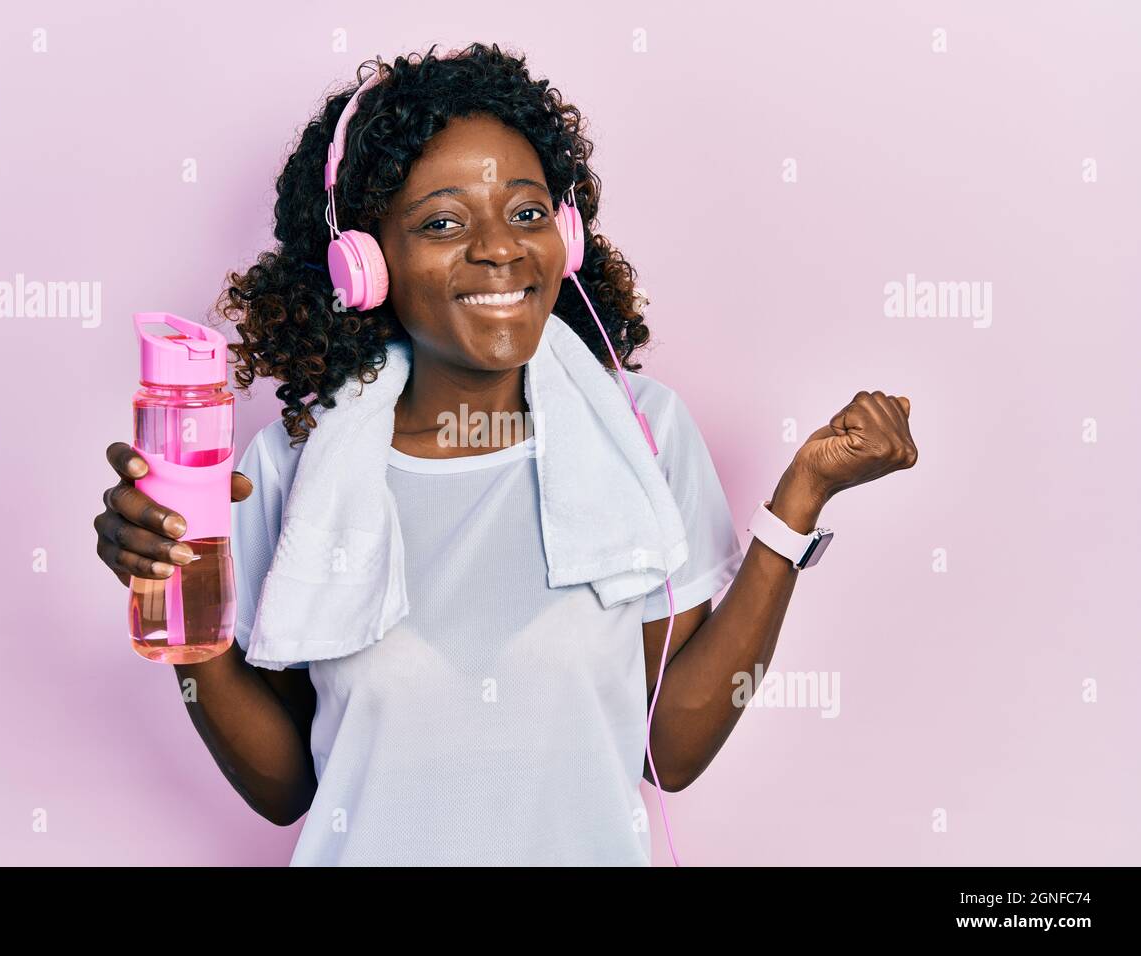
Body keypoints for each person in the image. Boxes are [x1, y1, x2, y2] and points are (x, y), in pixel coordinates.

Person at [93, 43, 918, 866]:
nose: (500, 249)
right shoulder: (295, 466)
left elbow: (668, 749)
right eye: (443, 223)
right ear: (363, 264)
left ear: (567, 234)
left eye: (526, 213)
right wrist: (170, 594)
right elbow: (287, 790)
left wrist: (800, 499)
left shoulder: (642, 434)